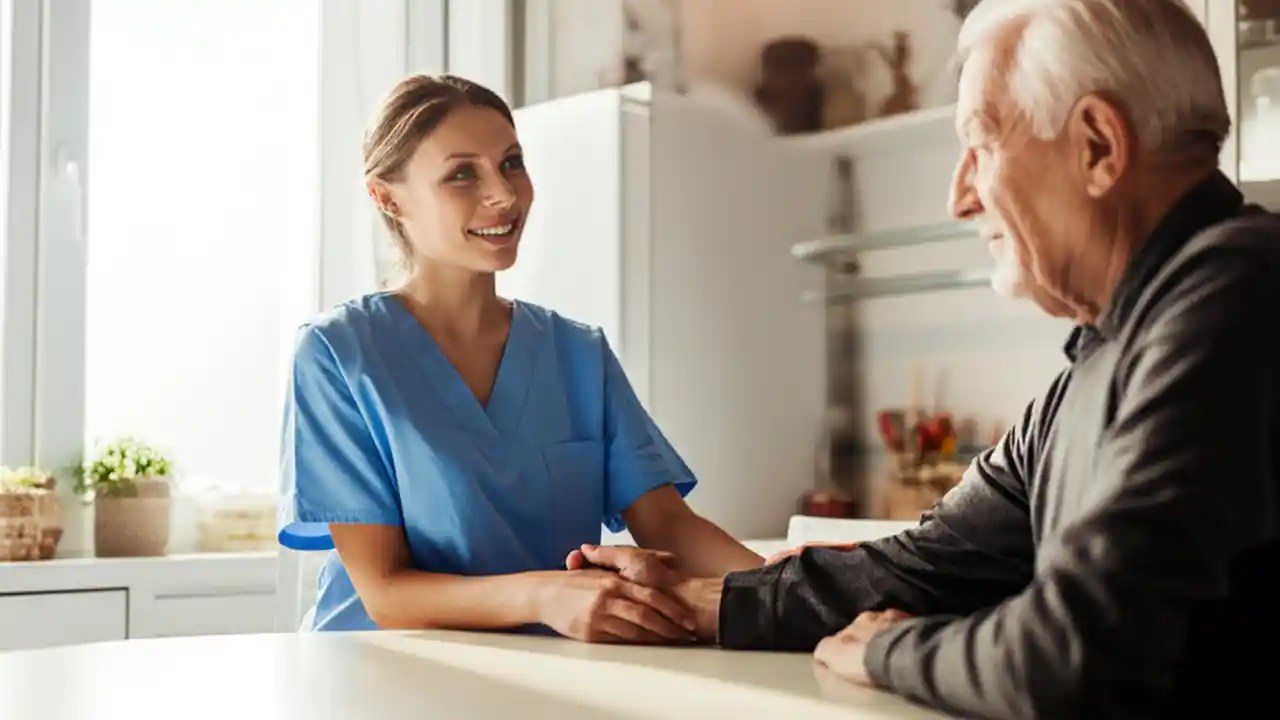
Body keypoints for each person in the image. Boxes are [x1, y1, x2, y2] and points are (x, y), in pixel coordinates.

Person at [572, 0, 1280, 716]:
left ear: (1097, 145)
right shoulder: (1111, 349)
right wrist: (692, 602)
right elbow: (928, 564)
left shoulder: (1238, 295)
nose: (958, 196)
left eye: (982, 145)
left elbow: (1082, 651)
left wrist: (885, 651)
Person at [275, 74, 763, 641]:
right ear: (388, 197)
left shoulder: (578, 353)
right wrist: (544, 592)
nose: (504, 194)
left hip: (546, 670)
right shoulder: (339, 353)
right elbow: (385, 591)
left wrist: (807, 588)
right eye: (462, 173)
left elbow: (669, 524)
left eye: (511, 162)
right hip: (380, 672)